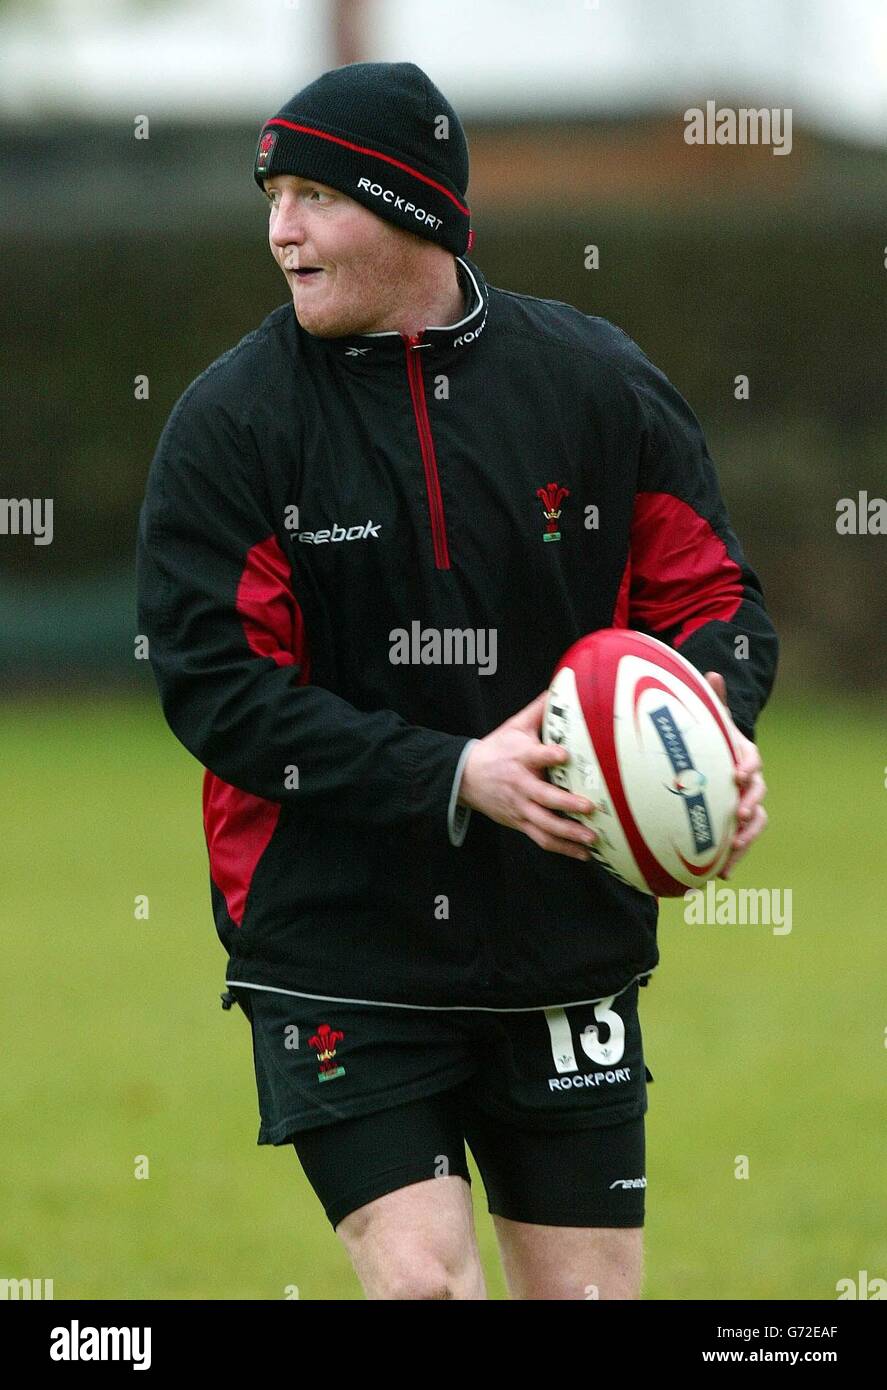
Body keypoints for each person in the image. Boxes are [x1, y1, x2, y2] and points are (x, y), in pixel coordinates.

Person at [136, 61, 778, 1300]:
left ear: (412, 209)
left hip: (559, 937)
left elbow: (714, 602)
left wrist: (712, 734)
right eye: (273, 193)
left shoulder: (594, 382)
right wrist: (453, 774)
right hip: (337, 941)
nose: (281, 228)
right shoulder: (235, 423)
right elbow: (216, 688)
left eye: (316, 194)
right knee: (425, 1285)